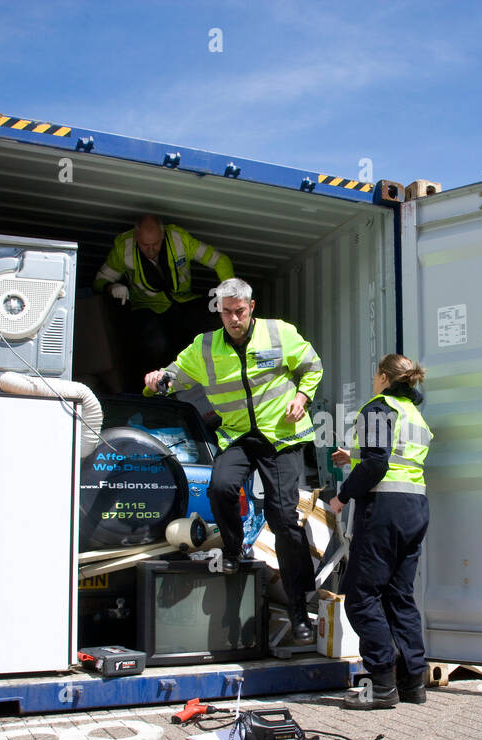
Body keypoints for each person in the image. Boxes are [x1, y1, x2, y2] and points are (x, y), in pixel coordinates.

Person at [143, 278, 323, 643]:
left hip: (280, 436)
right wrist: (155, 380)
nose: (233, 319)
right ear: (219, 311)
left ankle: (299, 609)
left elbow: (312, 366)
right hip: (240, 436)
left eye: (239, 311)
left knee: (283, 518)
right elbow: (174, 377)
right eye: (226, 312)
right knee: (221, 486)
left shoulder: (279, 334)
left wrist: (303, 397)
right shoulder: (205, 347)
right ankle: (232, 548)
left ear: (251, 307)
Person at [328, 354, 431, 708]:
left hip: (384, 509)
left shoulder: (378, 406)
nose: (373, 381)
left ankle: (382, 684)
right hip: (415, 509)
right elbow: (390, 455)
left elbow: (377, 463)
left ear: (384, 377)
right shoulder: (413, 413)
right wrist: (352, 455)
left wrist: (342, 496)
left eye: (376, 375)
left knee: (359, 596)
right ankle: (412, 682)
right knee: (399, 595)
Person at [94, 214, 234, 372]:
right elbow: (99, 281)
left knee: (215, 322)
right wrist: (112, 287)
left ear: (163, 235)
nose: (151, 250)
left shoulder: (179, 240)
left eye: (155, 244)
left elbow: (220, 260)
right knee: (154, 343)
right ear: (136, 237)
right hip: (146, 308)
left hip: (183, 303)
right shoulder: (123, 248)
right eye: (145, 245)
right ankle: (151, 387)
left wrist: (229, 293)